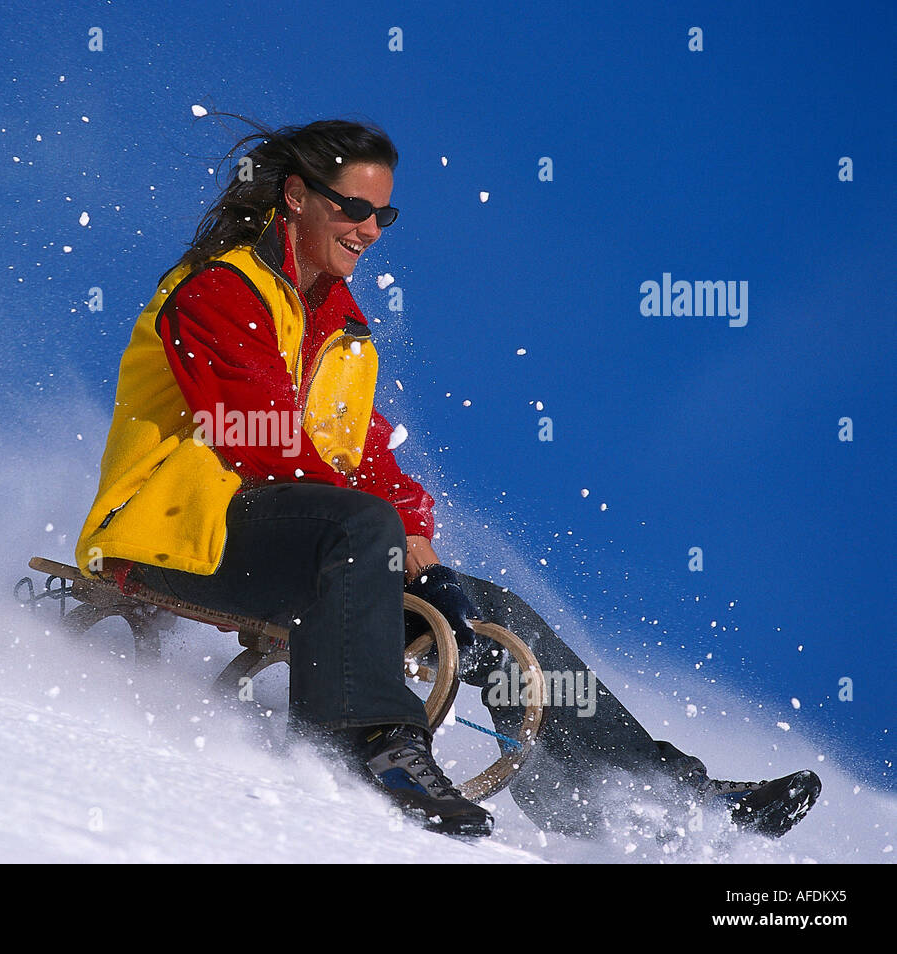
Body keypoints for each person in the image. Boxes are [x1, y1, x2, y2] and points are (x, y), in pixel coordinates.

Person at [73, 116, 820, 841]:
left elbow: (361, 451)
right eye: (353, 208)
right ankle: (375, 745)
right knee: (362, 528)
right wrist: (391, 535)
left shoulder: (340, 323)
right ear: (296, 197)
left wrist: (417, 539)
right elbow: (262, 440)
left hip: (311, 544)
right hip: (176, 536)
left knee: (495, 614)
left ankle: (638, 787)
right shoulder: (218, 293)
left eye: (383, 214)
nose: (369, 229)